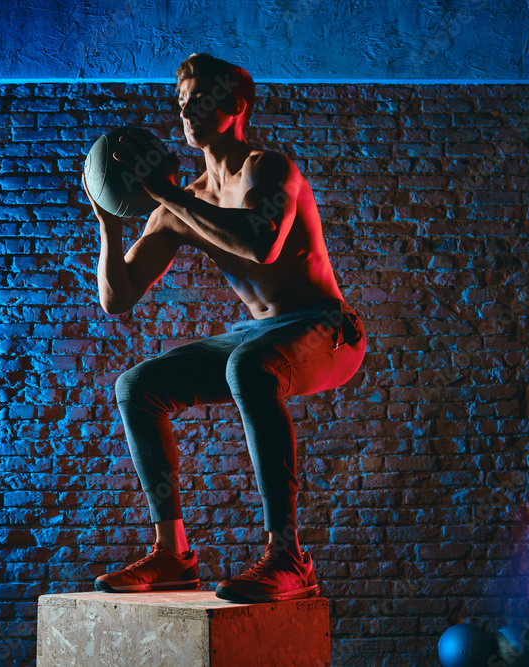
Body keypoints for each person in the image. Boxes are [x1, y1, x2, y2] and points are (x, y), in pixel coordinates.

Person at [81, 53, 366, 603]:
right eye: (181, 102)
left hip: (328, 328)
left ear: (236, 104)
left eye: (199, 99)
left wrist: (166, 194)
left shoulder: (268, 169)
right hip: (257, 335)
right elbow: (117, 298)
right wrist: (108, 225)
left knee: (250, 366)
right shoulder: (181, 202)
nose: (186, 111)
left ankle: (288, 557)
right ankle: (173, 554)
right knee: (137, 387)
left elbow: (262, 245)